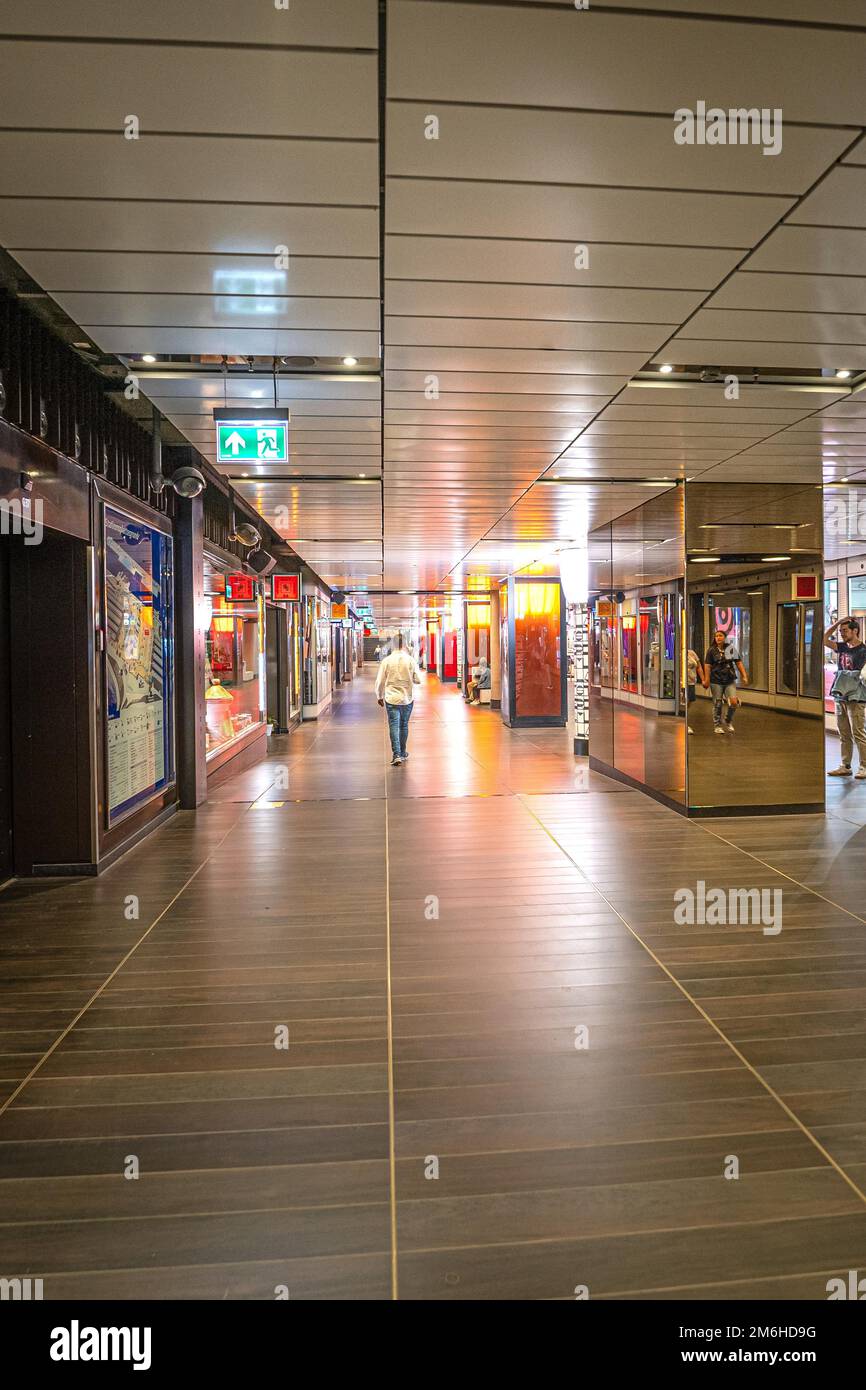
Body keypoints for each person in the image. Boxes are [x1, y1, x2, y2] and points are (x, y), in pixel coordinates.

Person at [824, 616, 866, 778]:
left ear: (855, 631)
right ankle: (845, 765)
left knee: (858, 732)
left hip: (857, 695)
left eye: (845, 630)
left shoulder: (863, 650)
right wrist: (839, 621)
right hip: (840, 694)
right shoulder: (841, 647)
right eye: (840, 631)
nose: (842, 633)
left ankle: (863, 765)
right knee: (844, 733)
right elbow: (824, 639)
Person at [375, 632, 421, 766]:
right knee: (404, 725)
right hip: (407, 698)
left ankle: (396, 754)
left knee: (394, 725)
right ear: (405, 644)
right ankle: (403, 752)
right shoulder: (411, 660)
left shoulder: (386, 661)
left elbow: (380, 681)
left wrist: (379, 696)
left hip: (391, 698)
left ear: (393, 644)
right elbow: (418, 679)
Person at [704, 629, 748, 735]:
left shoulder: (730, 648)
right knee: (718, 703)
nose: (718, 638)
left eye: (720, 636)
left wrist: (744, 676)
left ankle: (728, 720)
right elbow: (707, 666)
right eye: (716, 636)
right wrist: (707, 679)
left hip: (729, 679)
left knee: (733, 702)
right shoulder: (711, 650)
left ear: (724, 637)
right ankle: (717, 725)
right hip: (716, 680)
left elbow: (738, 663)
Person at [685, 647, 706, 734]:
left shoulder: (691, 653)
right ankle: (685, 723)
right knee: (684, 702)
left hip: (691, 682)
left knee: (689, 701)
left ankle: (684, 720)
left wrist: (703, 679)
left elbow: (699, 667)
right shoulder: (677, 653)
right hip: (682, 683)